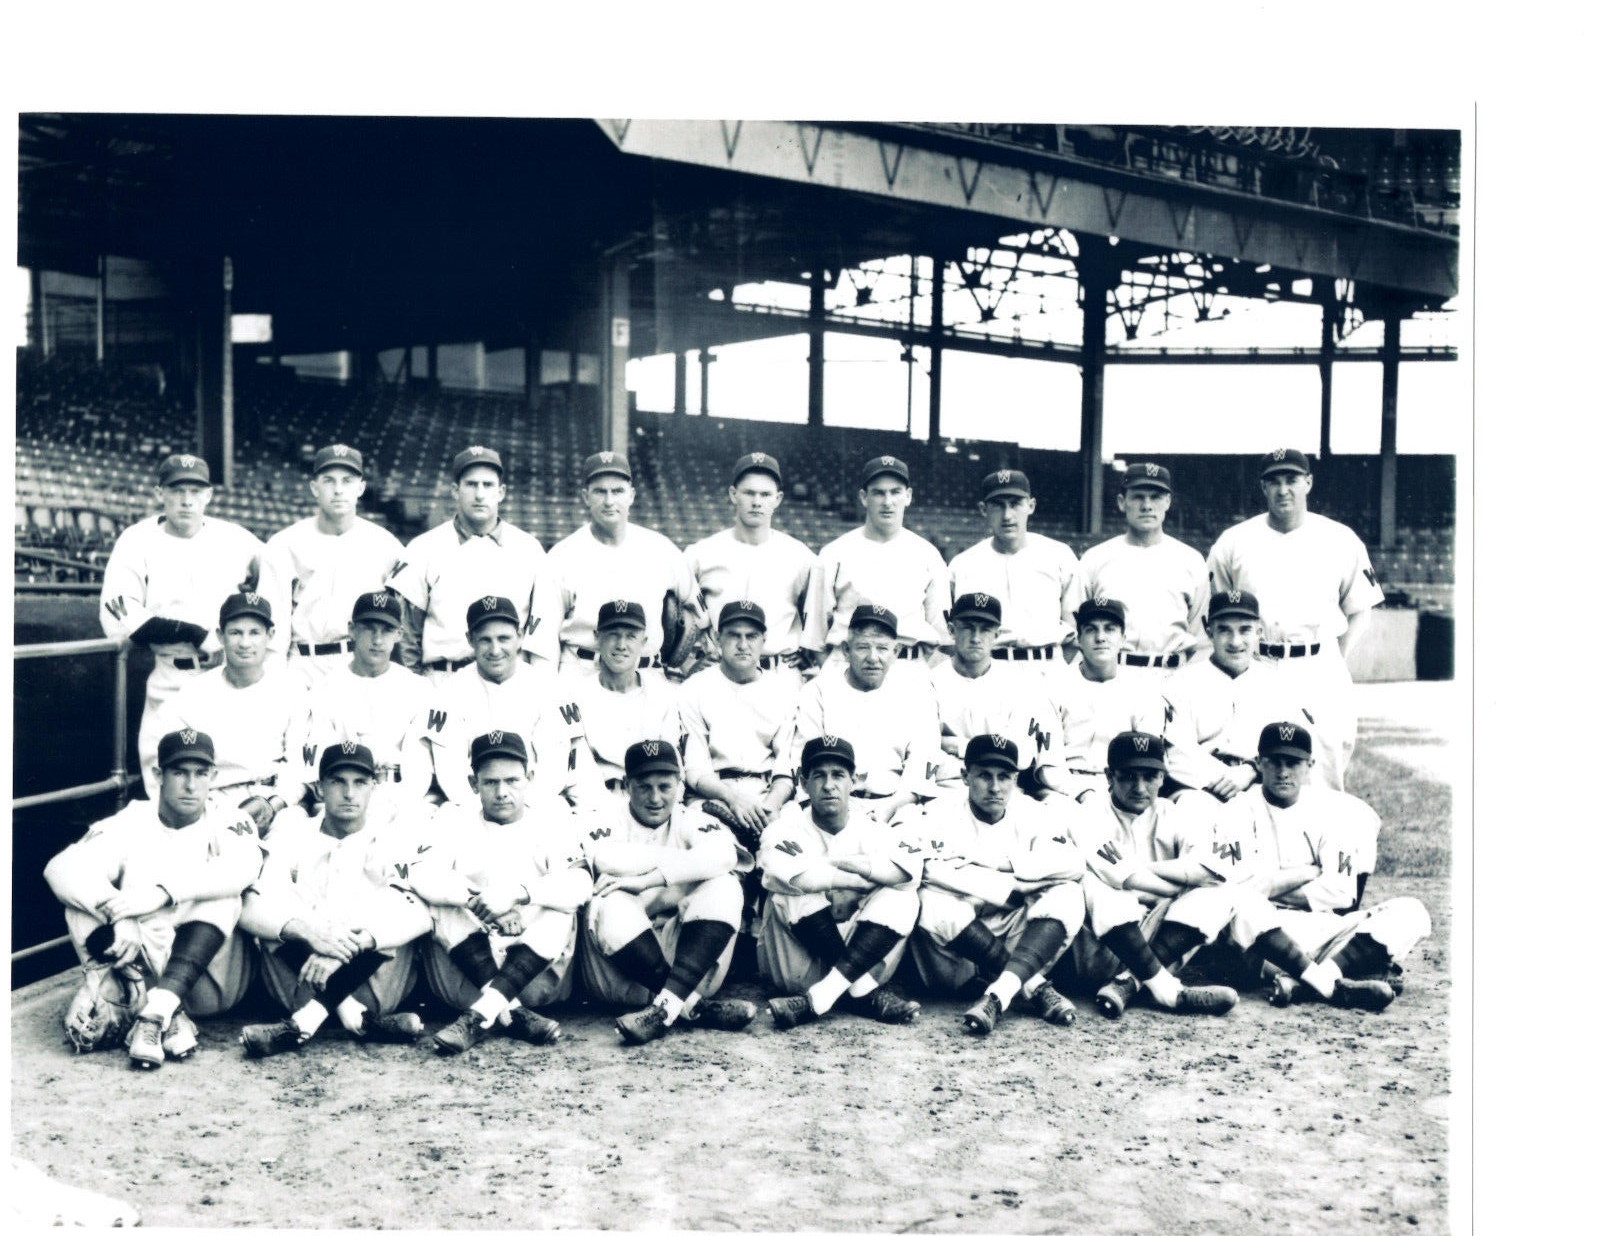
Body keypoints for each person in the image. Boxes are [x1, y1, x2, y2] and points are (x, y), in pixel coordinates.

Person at [44, 729, 263, 1068]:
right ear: (158, 775)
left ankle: (161, 1005)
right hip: (145, 968)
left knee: (223, 895)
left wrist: (161, 894)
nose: (191, 785)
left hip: (211, 984)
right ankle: (156, 1013)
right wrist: (120, 915)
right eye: (179, 772)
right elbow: (61, 867)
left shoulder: (231, 818)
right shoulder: (133, 819)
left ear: (213, 777)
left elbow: (244, 868)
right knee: (84, 901)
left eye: (200, 773)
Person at [1203, 722, 1431, 1012]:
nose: (1283, 772)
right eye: (1274, 761)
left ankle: (1311, 982)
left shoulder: (1333, 812)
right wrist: (1308, 872)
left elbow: (1341, 893)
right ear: (1259, 763)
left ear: (1310, 764)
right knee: (1244, 908)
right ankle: (1348, 975)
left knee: (1412, 911)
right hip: (1267, 933)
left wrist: (1267, 885)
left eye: (1293, 762)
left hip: (1325, 929)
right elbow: (1236, 891)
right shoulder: (1234, 811)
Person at [236, 742, 432, 1056]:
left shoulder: (391, 838)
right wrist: (311, 934)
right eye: (338, 781)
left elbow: (420, 912)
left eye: (360, 783)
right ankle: (357, 1018)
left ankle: (304, 1023)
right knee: (280, 913)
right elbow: (251, 904)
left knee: (395, 908)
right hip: (298, 981)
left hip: (374, 987)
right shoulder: (292, 833)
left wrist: (347, 943)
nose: (349, 793)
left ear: (373, 788)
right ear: (319, 787)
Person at [1206, 448, 1386, 790]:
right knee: (1249, 762)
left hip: (1318, 664)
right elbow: (1213, 610)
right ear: (1263, 486)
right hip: (1256, 662)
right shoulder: (1234, 541)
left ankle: (1323, 843)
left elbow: (1361, 608)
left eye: (1291, 479)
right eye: (1274, 480)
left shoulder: (1340, 538)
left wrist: (1334, 656)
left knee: (1325, 762)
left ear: (1308, 482)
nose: (1283, 488)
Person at [410, 732, 592, 1054]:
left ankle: (481, 1015)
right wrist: (476, 901)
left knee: (562, 905)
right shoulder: (452, 819)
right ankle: (511, 1014)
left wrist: (518, 895)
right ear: (473, 783)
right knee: (440, 903)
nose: (502, 792)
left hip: (535, 970)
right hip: (470, 968)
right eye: (490, 782)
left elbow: (581, 884)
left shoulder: (552, 820)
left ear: (530, 779)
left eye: (512, 780)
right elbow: (421, 875)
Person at [576, 741, 760, 1046]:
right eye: (644, 787)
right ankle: (694, 1007)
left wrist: (649, 879)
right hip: (619, 976)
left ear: (680, 785)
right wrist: (687, 866)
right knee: (609, 900)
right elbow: (608, 859)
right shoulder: (603, 818)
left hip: (687, 962)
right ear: (625, 786)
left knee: (724, 883)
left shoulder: (693, 818)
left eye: (665, 786)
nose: (655, 798)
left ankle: (666, 1007)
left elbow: (724, 856)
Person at [98, 453, 262, 792]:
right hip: (172, 676)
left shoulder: (236, 539)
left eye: (195, 490)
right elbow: (119, 612)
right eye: (176, 490)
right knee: (166, 780)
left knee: (229, 779)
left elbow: (274, 580)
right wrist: (193, 632)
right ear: (160, 493)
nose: (186, 500)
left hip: (227, 674)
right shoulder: (136, 540)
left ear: (209, 495)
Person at [906, 734, 1084, 1037]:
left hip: (1018, 936)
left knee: (1069, 893)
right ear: (965, 776)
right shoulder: (939, 813)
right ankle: (1034, 987)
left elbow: (1072, 864)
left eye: (1004, 777)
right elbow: (928, 871)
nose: (995, 787)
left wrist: (999, 864)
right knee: (928, 900)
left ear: (1016, 778)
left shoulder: (1032, 811)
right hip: (958, 951)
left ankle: (999, 993)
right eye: (984, 776)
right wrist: (1013, 889)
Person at [1065, 731, 1242, 1019]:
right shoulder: (1089, 813)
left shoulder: (1173, 813)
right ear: (1109, 776)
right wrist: (1179, 886)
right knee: (1096, 886)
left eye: (1150, 776)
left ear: (1163, 777)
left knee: (1223, 894)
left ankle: (1129, 983)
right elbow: (1126, 879)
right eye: (1129, 776)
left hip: (1164, 938)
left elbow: (1211, 871)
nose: (1140, 786)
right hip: (1103, 948)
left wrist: (1145, 870)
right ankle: (1166, 991)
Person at [760, 735, 924, 1030]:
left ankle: (823, 996)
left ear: (854, 780)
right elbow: (795, 876)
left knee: (904, 895)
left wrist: (861, 871)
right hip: (798, 968)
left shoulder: (873, 827)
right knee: (790, 890)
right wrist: (858, 880)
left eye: (838, 775)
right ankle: (861, 992)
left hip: (858, 952)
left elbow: (911, 870)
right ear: (803, 781)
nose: (828, 785)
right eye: (818, 775)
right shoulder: (784, 826)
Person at [151, 591, 310, 836]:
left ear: (270, 636)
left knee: (293, 833)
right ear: (220, 636)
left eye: (255, 633)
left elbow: (297, 765)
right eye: (236, 633)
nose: (245, 643)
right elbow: (174, 763)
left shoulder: (291, 690)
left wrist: (274, 803)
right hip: (213, 800)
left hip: (272, 799)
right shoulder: (194, 693)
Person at [389, 446, 556, 680]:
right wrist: (415, 686)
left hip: (508, 682)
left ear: (501, 492)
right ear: (456, 491)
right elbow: (407, 635)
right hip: (443, 678)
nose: (479, 494)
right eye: (471, 484)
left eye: (488, 485)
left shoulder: (529, 549)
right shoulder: (423, 548)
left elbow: (541, 634)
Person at [421, 596, 596, 808]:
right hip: (471, 810)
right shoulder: (448, 693)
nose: (495, 650)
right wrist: (481, 811)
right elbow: (451, 772)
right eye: (485, 640)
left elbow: (554, 768)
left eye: (503, 638)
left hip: (536, 807)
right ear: (470, 639)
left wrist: (520, 811)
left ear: (520, 636)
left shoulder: (550, 688)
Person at [257, 444, 405, 688]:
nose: (338, 490)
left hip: (361, 662)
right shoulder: (285, 543)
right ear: (315, 488)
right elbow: (274, 624)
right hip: (303, 663)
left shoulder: (387, 545)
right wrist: (274, 678)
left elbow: (399, 621)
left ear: (361, 488)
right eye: (329, 481)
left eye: (347, 481)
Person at [544, 451, 703, 675]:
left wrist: (689, 660)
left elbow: (699, 613)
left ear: (632, 495)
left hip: (648, 673)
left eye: (617, 491)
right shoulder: (561, 556)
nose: (609, 501)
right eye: (600, 492)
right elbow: (543, 644)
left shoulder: (662, 549)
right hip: (582, 671)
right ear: (585, 496)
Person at [1161, 590, 1321, 803]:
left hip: (1261, 783)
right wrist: (1228, 779)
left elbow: (1301, 745)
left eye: (1245, 630)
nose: (1235, 642)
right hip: (1199, 789)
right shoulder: (1181, 683)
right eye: (1225, 630)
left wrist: (1252, 770)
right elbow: (1178, 754)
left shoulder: (1278, 684)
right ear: (1209, 633)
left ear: (1259, 632)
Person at [801, 455, 949, 681]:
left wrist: (915, 668)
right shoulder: (834, 553)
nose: (887, 501)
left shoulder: (928, 555)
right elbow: (816, 636)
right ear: (863, 497)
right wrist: (835, 679)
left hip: (907, 667)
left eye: (895, 492)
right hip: (847, 668)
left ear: (908, 496)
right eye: (878, 493)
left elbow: (940, 635)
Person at [792, 605, 941, 823]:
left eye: (882, 648)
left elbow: (924, 759)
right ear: (846, 650)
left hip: (898, 806)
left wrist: (892, 806)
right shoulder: (819, 690)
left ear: (896, 652)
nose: (873, 658)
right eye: (863, 647)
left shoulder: (917, 692)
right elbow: (803, 757)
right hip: (832, 806)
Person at [683, 452, 816, 684]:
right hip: (717, 673)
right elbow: (677, 616)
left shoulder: (801, 556)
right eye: (749, 493)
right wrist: (688, 663)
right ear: (734, 495)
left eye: (765, 494)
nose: (757, 502)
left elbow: (820, 615)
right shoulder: (701, 553)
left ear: (778, 498)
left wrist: (809, 653)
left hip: (777, 673)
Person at [301, 590, 435, 819]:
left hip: (404, 797)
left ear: (399, 634)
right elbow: (316, 759)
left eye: (387, 630)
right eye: (368, 629)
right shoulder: (325, 690)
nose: (377, 640)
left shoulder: (419, 689)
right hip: (345, 799)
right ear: (352, 630)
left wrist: (398, 802)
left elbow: (423, 765)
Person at [946, 468, 1082, 689]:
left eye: (1015, 503)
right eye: (998, 505)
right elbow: (953, 633)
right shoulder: (963, 564)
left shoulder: (1059, 555)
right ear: (983, 510)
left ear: (1031, 505)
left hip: (1047, 669)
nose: (1007, 515)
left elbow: (1075, 627)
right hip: (988, 672)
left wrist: (1059, 668)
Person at [678, 601, 799, 839]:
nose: (743, 645)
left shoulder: (784, 690)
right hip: (715, 795)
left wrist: (770, 807)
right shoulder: (694, 688)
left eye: (751, 636)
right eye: (734, 635)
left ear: (764, 639)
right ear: (717, 638)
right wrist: (733, 799)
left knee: (784, 849)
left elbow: (787, 766)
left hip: (769, 795)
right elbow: (695, 768)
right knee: (717, 851)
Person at [1076, 463, 1208, 680]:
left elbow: (1201, 639)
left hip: (1173, 675)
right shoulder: (1096, 558)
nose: (1147, 505)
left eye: (1155, 496)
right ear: (1122, 502)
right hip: (1114, 675)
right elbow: (1079, 630)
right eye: (1138, 497)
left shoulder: (1191, 560)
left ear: (1167, 502)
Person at [928, 592, 1069, 795]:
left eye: (985, 630)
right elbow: (927, 753)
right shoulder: (932, 681)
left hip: (1005, 790)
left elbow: (1021, 755)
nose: (976, 638)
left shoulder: (1018, 683)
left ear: (997, 635)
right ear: (951, 630)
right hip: (948, 787)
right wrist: (993, 748)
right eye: (968, 628)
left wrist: (956, 746)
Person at [1050, 598, 1168, 794]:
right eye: (1091, 630)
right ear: (1078, 639)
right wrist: (1081, 793)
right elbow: (1048, 766)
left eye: (1110, 629)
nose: (1100, 637)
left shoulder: (1143, 691)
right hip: (1063, 790)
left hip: (1123, 788)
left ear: (1123, 639)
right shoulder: (1055, 686)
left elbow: (1146, 760)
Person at [565, 601, 682, 794]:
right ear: (597, 637)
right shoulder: (575, 695)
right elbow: (578, 769)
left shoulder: (664, 694)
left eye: (631, 636)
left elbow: (674, 765)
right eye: (613, 635)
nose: (621, 645)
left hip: (651, 800)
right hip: (598, 799)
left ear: (643, 642)